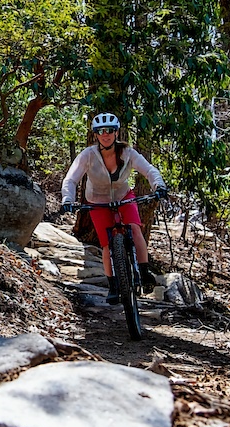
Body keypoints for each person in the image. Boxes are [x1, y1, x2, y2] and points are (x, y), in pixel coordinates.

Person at [61, 112, 168, 305]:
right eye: (101, 131)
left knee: (135, 229)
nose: (106, 134)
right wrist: (67, 199)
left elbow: (149, 170)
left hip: (124, 197)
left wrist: (158, 185)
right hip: (97, 201)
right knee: (106, 244)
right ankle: (113, 285)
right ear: (95, 135)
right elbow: (71, 179)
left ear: (116, 133)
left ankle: (144, 272)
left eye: (110, 130)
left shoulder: (128, 153)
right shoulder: (88, 155)